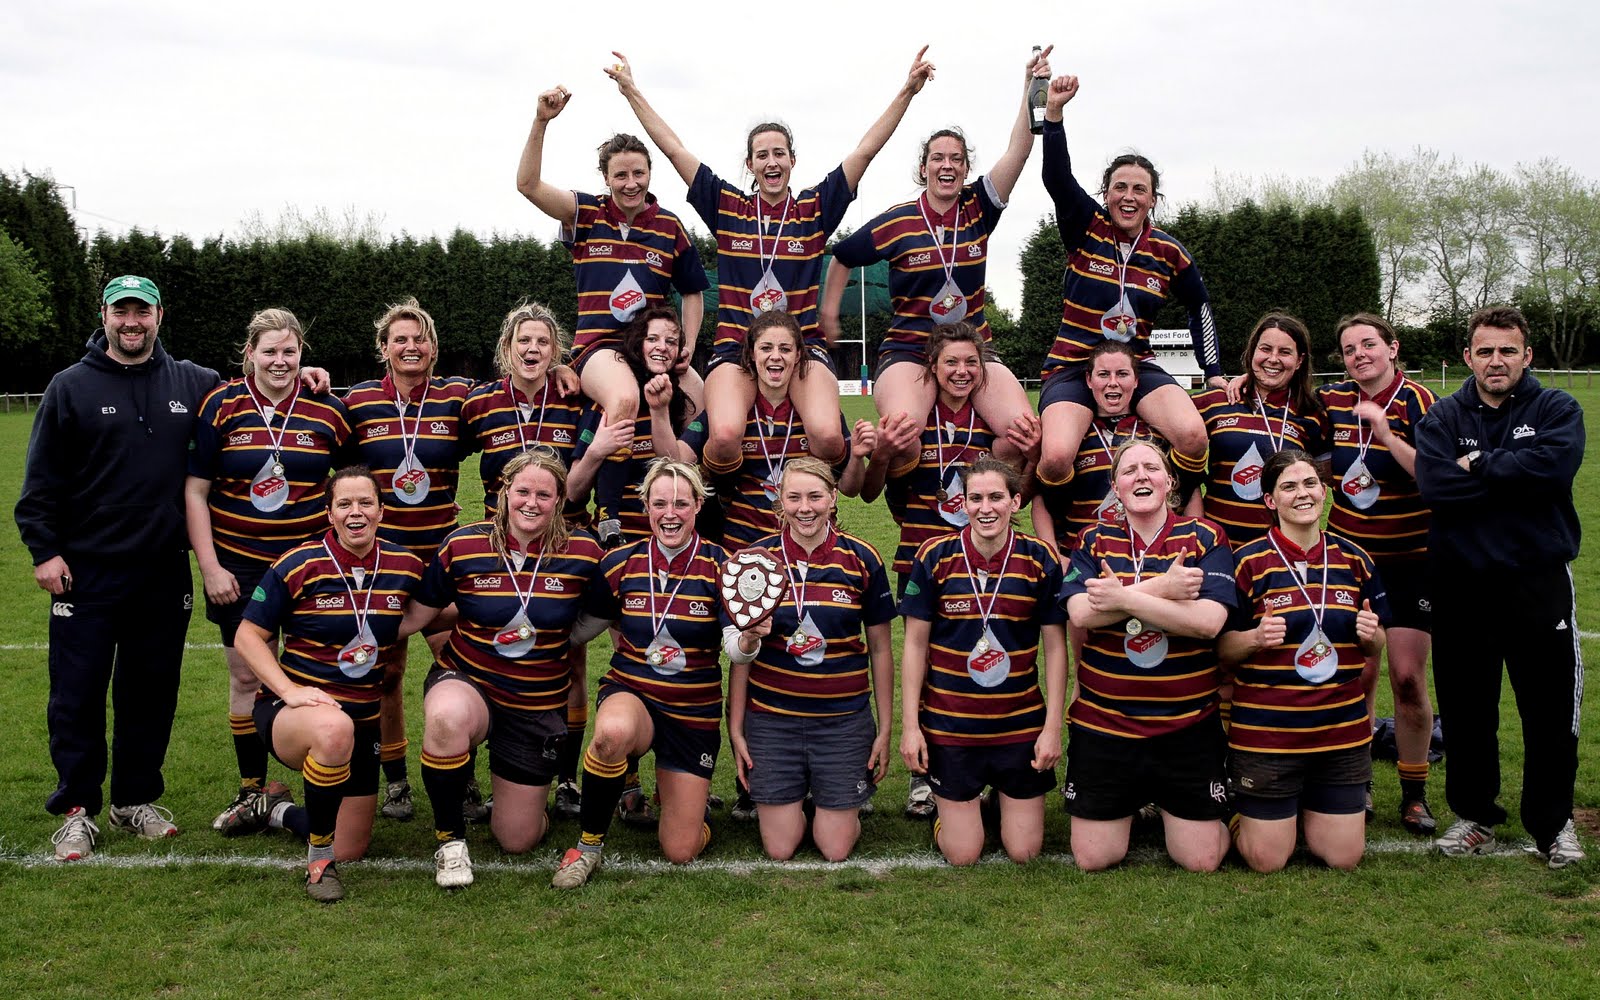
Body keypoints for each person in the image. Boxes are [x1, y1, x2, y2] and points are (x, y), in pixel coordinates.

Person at [606, 47, 933, 473]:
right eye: (762, 155)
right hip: (735, 348)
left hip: (802, 348)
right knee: (723, 436)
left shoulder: (815, 208)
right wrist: (631, 90)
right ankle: (723, 508)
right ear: (750, 164)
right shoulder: (727, 206)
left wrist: (907, 91)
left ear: (792, 161)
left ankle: (818, 510)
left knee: (828, 435)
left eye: (779, 153)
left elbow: (865, 150)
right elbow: (673, 149)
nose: (771, 161)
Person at [17, 275, 220, 860]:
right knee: (76, 692)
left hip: (161, 571)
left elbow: (257, 390)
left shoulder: (194, 382)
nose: (132, 322)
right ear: (104, 316)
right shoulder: (69, 386)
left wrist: (309, 374)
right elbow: (40, 482)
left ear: (160, 315)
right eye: (121, 311)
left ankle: (134, 799)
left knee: (150, 691)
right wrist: (44, 550)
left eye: (143, 311)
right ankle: (77, 808)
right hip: (86, 571)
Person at [822, 48, 1053, 469]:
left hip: (974, 351)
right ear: (923, 168)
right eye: (938, 159)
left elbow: (1018, 151)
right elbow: (840, 256)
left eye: (956, 160)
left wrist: (1029, 89)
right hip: (909, 350)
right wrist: (830, 315)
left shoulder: (980, 206)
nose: (947, 166)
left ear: (966, 169)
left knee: (1024, 433)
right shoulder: (897, 221)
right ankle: (910, 508)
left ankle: (974, 491)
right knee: (903, 435)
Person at [1415, 305, 1586, 868]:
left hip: (1536, 582)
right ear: (1468, 357)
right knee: (1467, 711)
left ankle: (1552, 824)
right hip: (1461, 586)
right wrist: (1511, 472)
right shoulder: (1443, 416)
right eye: (1485, 351)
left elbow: (1554, 472)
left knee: (1549, 712)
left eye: (1507, 350)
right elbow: (1437, 486)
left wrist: (1481, 465)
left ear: (1527, 355)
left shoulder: (1556, 406)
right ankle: (1474, 817)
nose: (1496, 361)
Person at [516, 83, 710, 547]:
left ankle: (702, 503)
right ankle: (607, 513)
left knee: (710, 404)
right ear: (605, 177)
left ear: (649, 173)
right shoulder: (585, 213)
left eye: (638, 173)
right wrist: (541, 121)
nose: (631, 183)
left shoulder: (669, 226)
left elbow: (694, 293)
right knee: (623, 398)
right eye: (620, 174)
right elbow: (527, 185)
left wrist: (687, 345)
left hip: (655, 349)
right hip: (601, 349)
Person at [185, 309, 352, 838]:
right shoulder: (221, 404)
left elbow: (349, 483)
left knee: (310, 673)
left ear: (303, 355)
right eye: (269, 351)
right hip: (235, 565)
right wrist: (209, 566)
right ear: (249, 353)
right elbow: (195, 491)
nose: (280, 361)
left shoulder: (327, 410)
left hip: (308, 572)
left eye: (290, 351)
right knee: (244, 674)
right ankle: (253, 787)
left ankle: (320, 774)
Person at [405, 450, 606, 888]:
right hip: (469, 679)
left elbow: (603, 612)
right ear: (502, 492)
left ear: (558, 499)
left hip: (534, 703)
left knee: (517, 840)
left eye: (543, 494)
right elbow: (416, 617)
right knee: (445, 716)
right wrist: (353, 632)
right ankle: (450, 841)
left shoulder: (584, 553)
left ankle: (522, 802)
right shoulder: (463, 544)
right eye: (522, 492)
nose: (531, 503)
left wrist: (565, 639)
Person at [233, 467, 425, 901]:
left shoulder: (405, 564)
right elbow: (247, 635)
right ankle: (319, 862)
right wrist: (288, 691)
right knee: (334, 729)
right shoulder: (298, 563)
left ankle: (275, 810)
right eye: (344, 504)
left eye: (365, 503)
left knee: (353, 846)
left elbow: (434, 608)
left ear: (381, 511)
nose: (355, 512)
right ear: (329, 513)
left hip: (364, 720)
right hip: (295, 714)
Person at [1034, 73, 1224, 503]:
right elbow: (1057, 179)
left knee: (1193, 435)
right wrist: (1055, 115)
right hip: (1073, 364)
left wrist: (1212, 373)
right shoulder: (1086, 227)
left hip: (1136, 365)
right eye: (1119, 187)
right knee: (1059, 454)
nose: (1129, 196)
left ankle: (1172, 507)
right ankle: (1063, 529)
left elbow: (1201, 307)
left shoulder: (1169, 251)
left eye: (1140, 189)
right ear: (1106, 193)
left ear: (1153, 198)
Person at [462, 301, 612, 820]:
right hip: (496, 553)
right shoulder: (478, 403)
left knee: (568, 661)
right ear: (507, 347)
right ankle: (477, 777)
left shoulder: (575, 401)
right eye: (523, 341)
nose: (532, 349)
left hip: (566, 548)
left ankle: (566, 777)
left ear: (557, 351)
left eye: (543, 343)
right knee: (487, 659)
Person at [550, 460, 733, 888]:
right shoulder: (620, 564)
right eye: (660, 503)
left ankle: (688, 804)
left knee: (680, 850)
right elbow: (582, 630)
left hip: (693, 711)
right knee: (611, 732)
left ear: (698, 506)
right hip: (633, 693)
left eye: (681, 504)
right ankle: (588, 845)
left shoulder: (722, 565)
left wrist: (747, 640)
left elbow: (734, 649)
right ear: (646, 507)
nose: (670, 513)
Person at [1061, 440, 1235, 871]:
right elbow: (1082, 612)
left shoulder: (1203, 535)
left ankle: (1193, 806)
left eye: (1151, 468)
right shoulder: (1094, 537)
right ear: (1115, 488)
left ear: (1169, 481)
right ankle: (1137, 800)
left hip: (1186, 724)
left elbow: (1208, 623)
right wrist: (1162, 589)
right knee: (1094, 858)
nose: (1141, 476)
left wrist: (1119, 599)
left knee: (1201, 860)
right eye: (1129, 471)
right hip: (1106, 722)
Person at [1219, 449, 1388, 872]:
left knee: (1343, 857)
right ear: (1270, 501)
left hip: (1339, 734)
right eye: (1289, 487)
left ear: (1326, 491)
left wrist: (1373, 638)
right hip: (1268, 735)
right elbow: (1220, 650)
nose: (1302, 494)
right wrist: (1255, 639)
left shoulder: (1356, 560)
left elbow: (1376, 643)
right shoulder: (1247, 563)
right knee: (1267, 860)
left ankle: (1305, 802)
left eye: (1310, 483)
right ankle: (1240, 808)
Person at [341, 298, 476, 824]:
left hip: (442, 559)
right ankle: (395, 780)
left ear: (434, 348)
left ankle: (459, 775)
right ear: (384, 348)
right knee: (388, 671)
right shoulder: (356, 403)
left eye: (420, 338)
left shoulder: (457, 397)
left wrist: (559, 370)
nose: (411, 346)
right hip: (382, 565)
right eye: (400, 338)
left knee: (458, 665)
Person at [899, 456, 1067, 865]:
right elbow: (915, 645)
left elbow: (1056, 649)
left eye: (996, 497)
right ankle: (956, 810)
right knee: (963, 854)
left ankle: (995, 802)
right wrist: (910, 728)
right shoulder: (935, 556)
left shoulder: (1039, 559)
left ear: (1015, 501)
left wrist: (1051, 729)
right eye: (975, 498)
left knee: (1024, 851)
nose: (985, 507)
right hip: (952, 725)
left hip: (1018, 725)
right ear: (964, 502)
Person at [727, 459, 897, 861]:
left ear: (833, 498)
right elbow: (739, 657)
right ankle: (808, 796)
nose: (805, 507)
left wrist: (886, 728)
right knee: (780, 848)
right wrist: (736, 729)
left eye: (815, 496)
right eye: (794, 497)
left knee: (835, 848)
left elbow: (881, 650)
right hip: (773, 720)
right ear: (779, 501)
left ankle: (832, 799)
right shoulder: (754, 561)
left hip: (841, 721)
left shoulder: (862, 558)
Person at [1318, 314, 1437, 833]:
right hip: (1350, 563)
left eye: (1369, 344)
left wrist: (1386, 435)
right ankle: (1358, 784)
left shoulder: (1420, 401)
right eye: (1348, 349)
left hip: (1412, 561)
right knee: (1357, 676)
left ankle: (1415, 791)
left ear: (1392, 347)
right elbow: (1315, 461)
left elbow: (1434, 475)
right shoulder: (1331, 402)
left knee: (1408, 680)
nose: (1359, 354)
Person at [709, 311, 864, 549]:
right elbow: (684, 458)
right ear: (752, 354)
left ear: (798, 354)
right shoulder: (730, 409)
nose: (775, 356)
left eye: (785, 349)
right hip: (743, 550)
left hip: (810, 549)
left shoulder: (818, 413)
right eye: (766, 348)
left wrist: (858, 455)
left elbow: (850, 489)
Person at [1194, 314, 1327, 548]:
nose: (1273, 359)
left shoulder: (1312, 413)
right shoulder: (1213, 402)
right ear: (1252, 353)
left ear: (1299, 361)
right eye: (1265, 349)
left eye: (1285, 352)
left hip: (1280, 554)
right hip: (1217, 548)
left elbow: (1328, 479)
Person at [1031, 340, 1167, 559]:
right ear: (1089, 380)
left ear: (1136, 380)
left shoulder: (1157, 431)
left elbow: (1187, 492)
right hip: (1082, 559)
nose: (1112, 383)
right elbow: (1041, 499)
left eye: (1122, 374)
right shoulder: (1068, 434)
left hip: (1148, 559)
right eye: (1103, 374)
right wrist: (1054, 556)